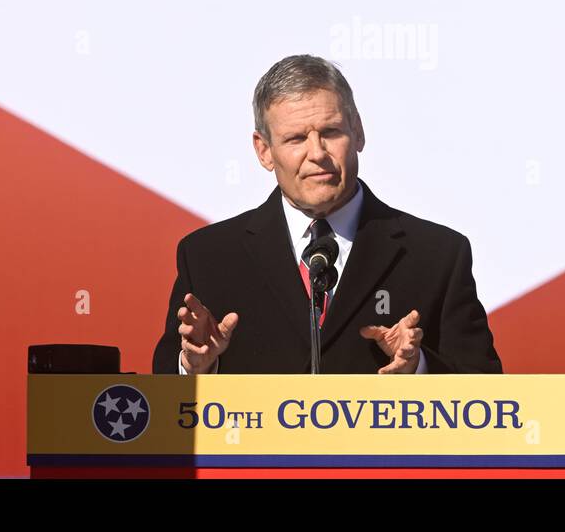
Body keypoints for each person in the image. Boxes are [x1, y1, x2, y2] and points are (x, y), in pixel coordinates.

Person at [152, 54, 502, 375]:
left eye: (331, 132)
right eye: (296, 139)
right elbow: (163, 391)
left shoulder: (437, 254)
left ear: (358, 131)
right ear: (264, 150)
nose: (317, 153)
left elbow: (487, 392)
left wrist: (417, 367)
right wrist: (196, 366)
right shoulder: (208, 256)